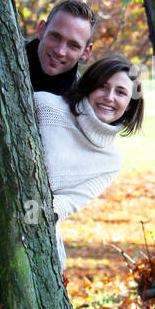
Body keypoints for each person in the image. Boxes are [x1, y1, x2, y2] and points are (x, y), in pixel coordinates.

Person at [34, 55, 144, 267]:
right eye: (102, 87)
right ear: (89, 87)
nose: (109, 97)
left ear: (130, 105)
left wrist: (31, 214)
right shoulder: (46, 107)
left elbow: (69, 202)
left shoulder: (111, 162)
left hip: (41, 234)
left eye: (121, 92)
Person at [24, 0, 95, 95]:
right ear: (41, 30)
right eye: (55, 36)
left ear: (86, 52)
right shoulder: (1, 51)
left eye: (73, 45)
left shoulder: (80, 101)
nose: (60, 51)